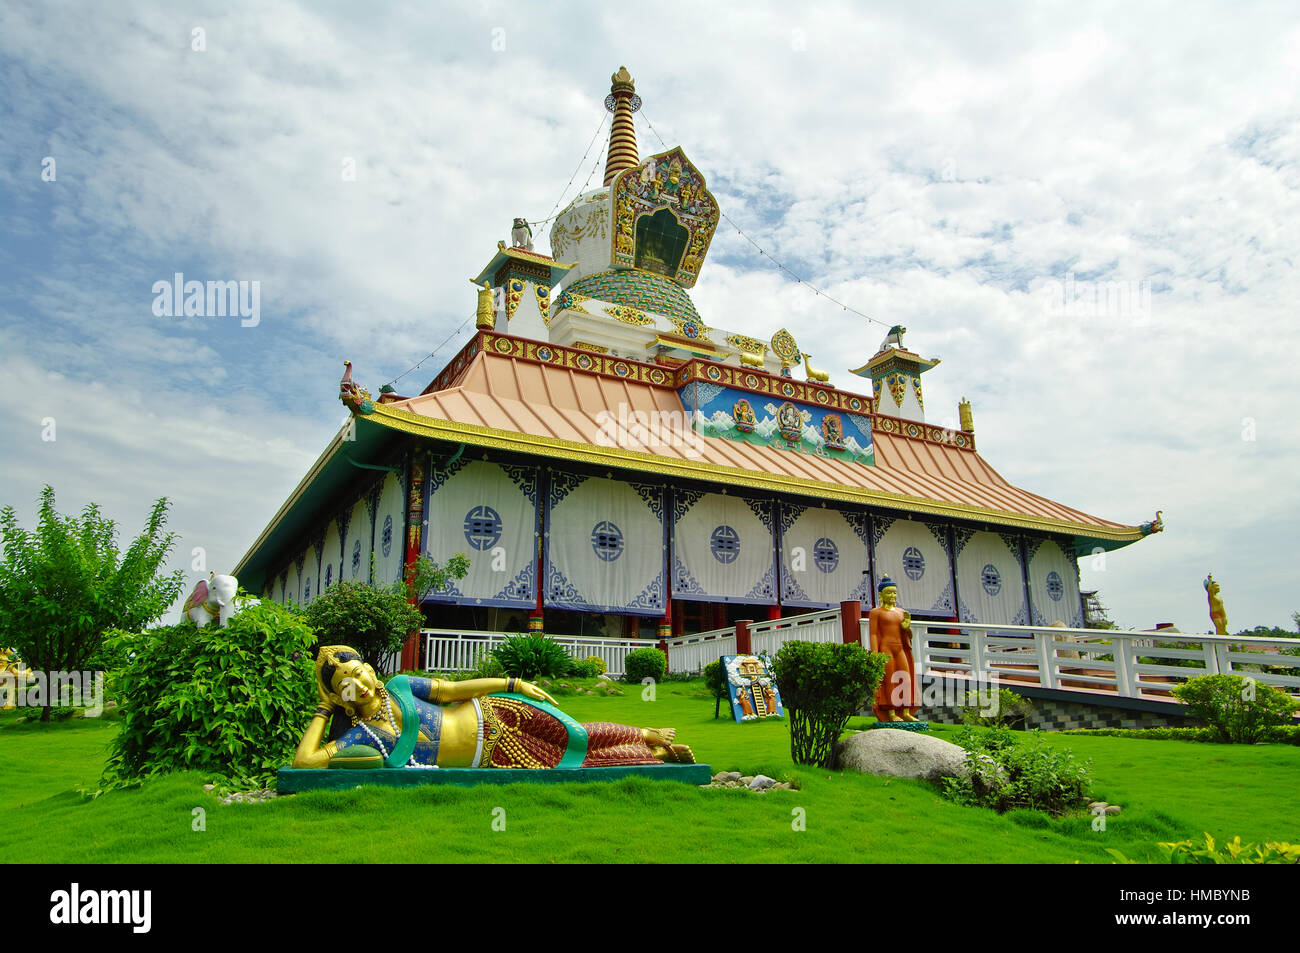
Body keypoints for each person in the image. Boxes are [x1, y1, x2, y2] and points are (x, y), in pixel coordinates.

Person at [294, 646, 694, 769]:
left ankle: (646, 734)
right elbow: (304, 763)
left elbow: (452, 691)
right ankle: (655, 758)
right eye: (344, 685)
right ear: (339, 696)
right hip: (491, 755)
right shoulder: (363, 738)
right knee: (572, 763)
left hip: (495, 712)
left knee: (577, 735)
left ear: (370, 671)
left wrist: (513, 683)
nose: (358, 685)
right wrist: (323, 710)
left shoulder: (399, 687)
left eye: (359, 672)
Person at [868, 576, 919, 722]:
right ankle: (891, 712)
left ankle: (905, 711)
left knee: (905, 678)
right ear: (881, 595)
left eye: (894, 593)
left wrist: (907, 629)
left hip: (900, 648)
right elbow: (873, 634)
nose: (892, 596)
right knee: (890, 680)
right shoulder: (876, 613)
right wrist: (875, 653)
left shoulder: (902, 612)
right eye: (889, 592)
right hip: (886, 648)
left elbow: (908, 635)